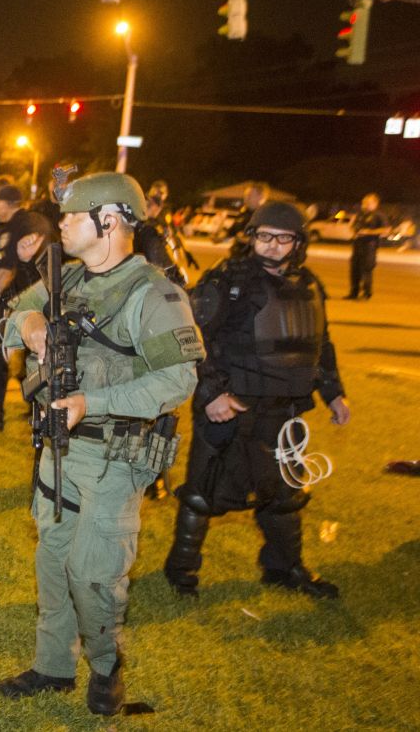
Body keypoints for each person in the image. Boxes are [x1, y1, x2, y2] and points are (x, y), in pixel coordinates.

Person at [0, 172, 203, 715]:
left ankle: (107, 666)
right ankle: (52, 666)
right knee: (52, 561)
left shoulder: (152, 293)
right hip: (56, 451)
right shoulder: (65, 278)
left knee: (94, 574)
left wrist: (94, 403)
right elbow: (8, 320)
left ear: (107, 221)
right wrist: (32, 319)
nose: (59, 225)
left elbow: (179, 380)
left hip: (114, 454)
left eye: (70, 216)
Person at [164, 201, 349, 601]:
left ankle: (284, 570)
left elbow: (320, 344)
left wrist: (333, 393)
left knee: (284, 495)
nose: (273, 246)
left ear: (298, 243)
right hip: (230, 405)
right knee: (203, 492)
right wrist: (212, 393)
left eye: (283, 239)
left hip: (283, 411)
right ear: (252, 238)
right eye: (264, 237)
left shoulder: (310, 285)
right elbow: (192, 338)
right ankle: (181, 574)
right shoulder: (228, 281)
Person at [0, 186, 52, 429]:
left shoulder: (13, 228)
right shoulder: (36, 221)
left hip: (17, 301)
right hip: (46, 297)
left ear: (7, 203)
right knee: (38, 356)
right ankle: (41, 411)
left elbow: (6, 272)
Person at [345, 192, 389, 300]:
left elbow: (386, 230)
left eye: (367, 203)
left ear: (375, 203)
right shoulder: (360, 214)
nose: (364, 204)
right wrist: (353, 228)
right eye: (364, 202)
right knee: (354, 269)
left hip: (369, 246)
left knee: (366, 269)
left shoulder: (379, 215)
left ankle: (366, 293)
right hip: (357, 244)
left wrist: (368, 232)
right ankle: (353, 292)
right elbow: (353, 226)